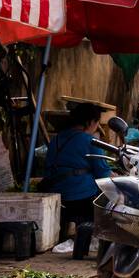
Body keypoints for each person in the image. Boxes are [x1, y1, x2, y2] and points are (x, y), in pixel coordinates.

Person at [42, 102, 111, 260]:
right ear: (91, 122)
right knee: (113, 196)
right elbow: (103, 174)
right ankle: (95, 237)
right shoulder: (91, 141)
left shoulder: (57, 139)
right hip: (82, 198)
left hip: (57, 193)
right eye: (97, 123)